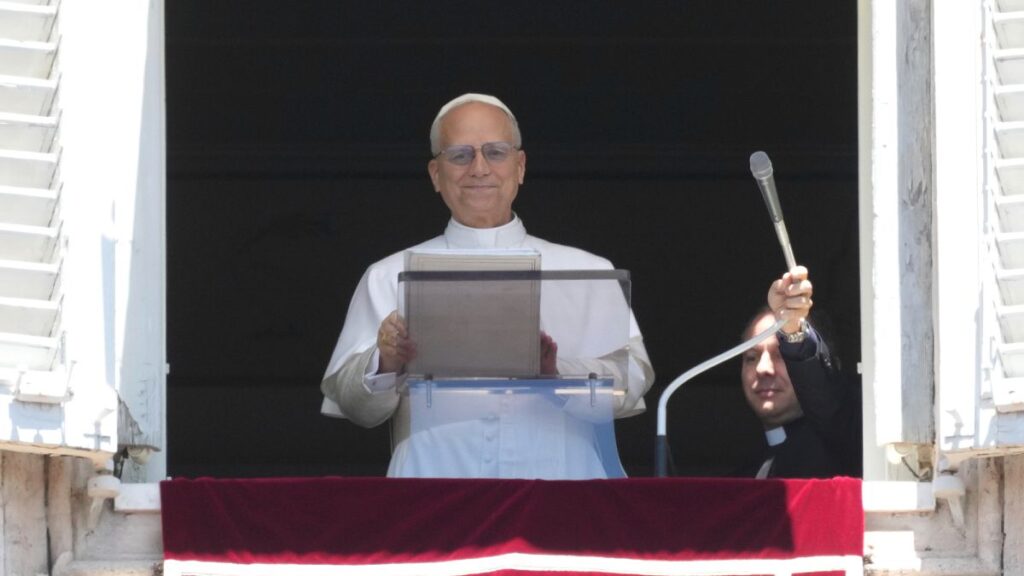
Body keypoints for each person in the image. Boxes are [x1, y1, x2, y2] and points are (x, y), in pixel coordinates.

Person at [320, 93, 655, 479]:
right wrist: (386, 360)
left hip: (561, 484)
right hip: (434, 485)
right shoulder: (388, 274)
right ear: (435, 174)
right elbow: (354, 407)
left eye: (495, 152)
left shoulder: (587, 269)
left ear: (520, 166)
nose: (479, 168)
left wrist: (556, 372)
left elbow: (631, 386)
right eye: (460, 155)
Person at [735, 265, 859, 479]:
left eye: (780, 354)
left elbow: (824, 395)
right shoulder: (741, 472)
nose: (763, 369)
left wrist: (793, 333)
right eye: (751, 358)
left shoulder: (843, 434)